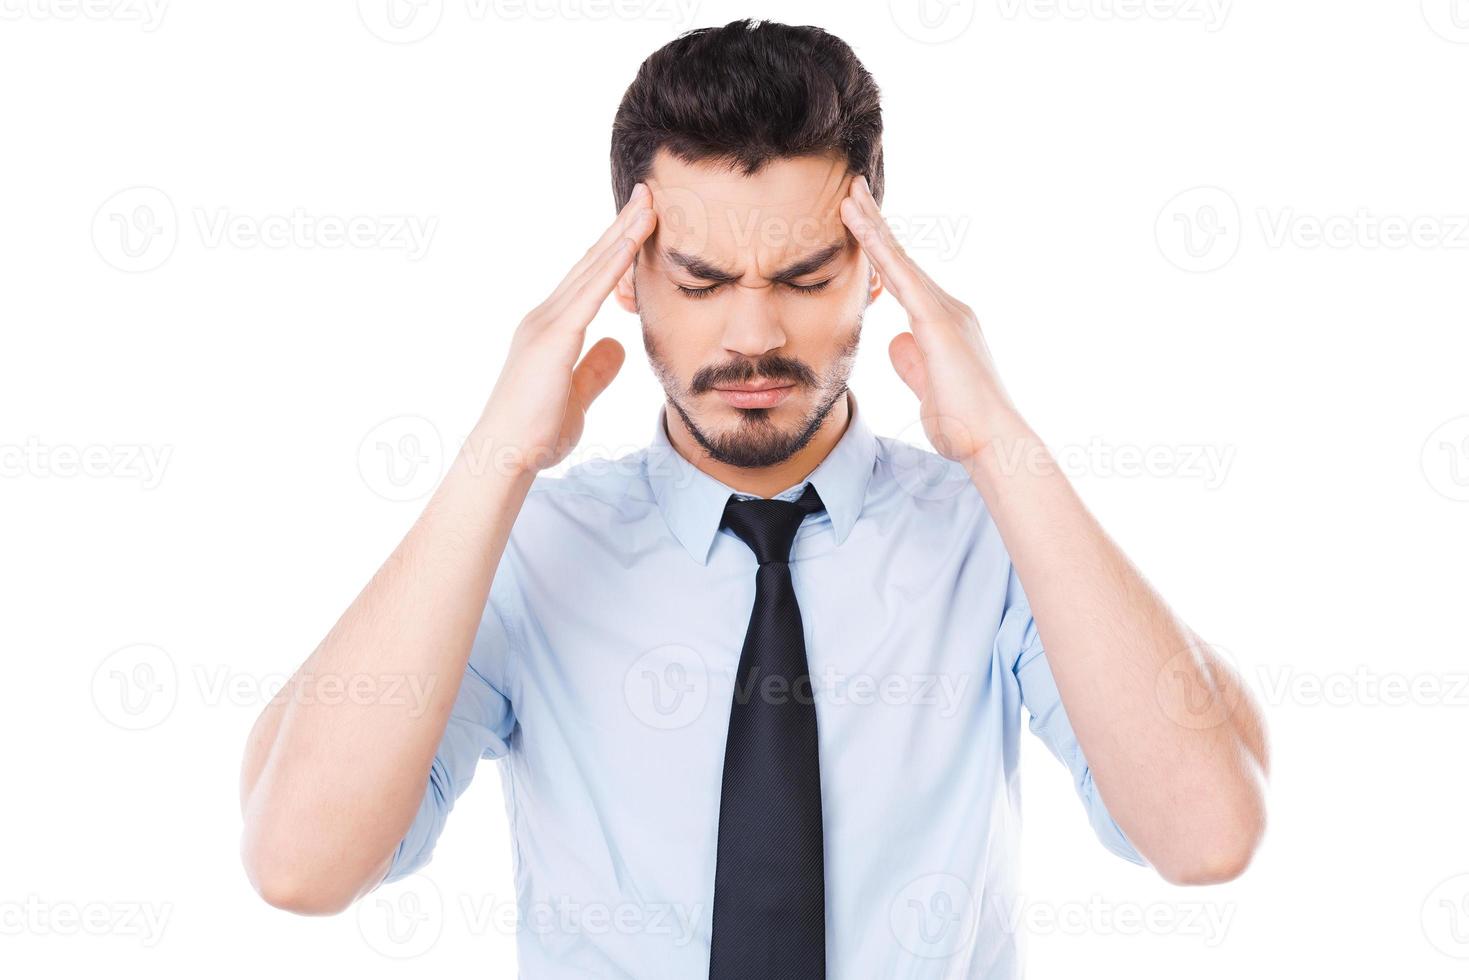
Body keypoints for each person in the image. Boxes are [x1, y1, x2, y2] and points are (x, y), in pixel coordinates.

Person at [239, 19, 1268, 978]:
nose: (753, 336)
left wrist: (999, 439)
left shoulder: (993, 532)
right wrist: (495, 456)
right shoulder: (524, 549)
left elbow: (1206, 835)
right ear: (626, 274)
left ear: (874, 268)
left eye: (806, 275)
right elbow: (299, 864)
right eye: (698, 281)